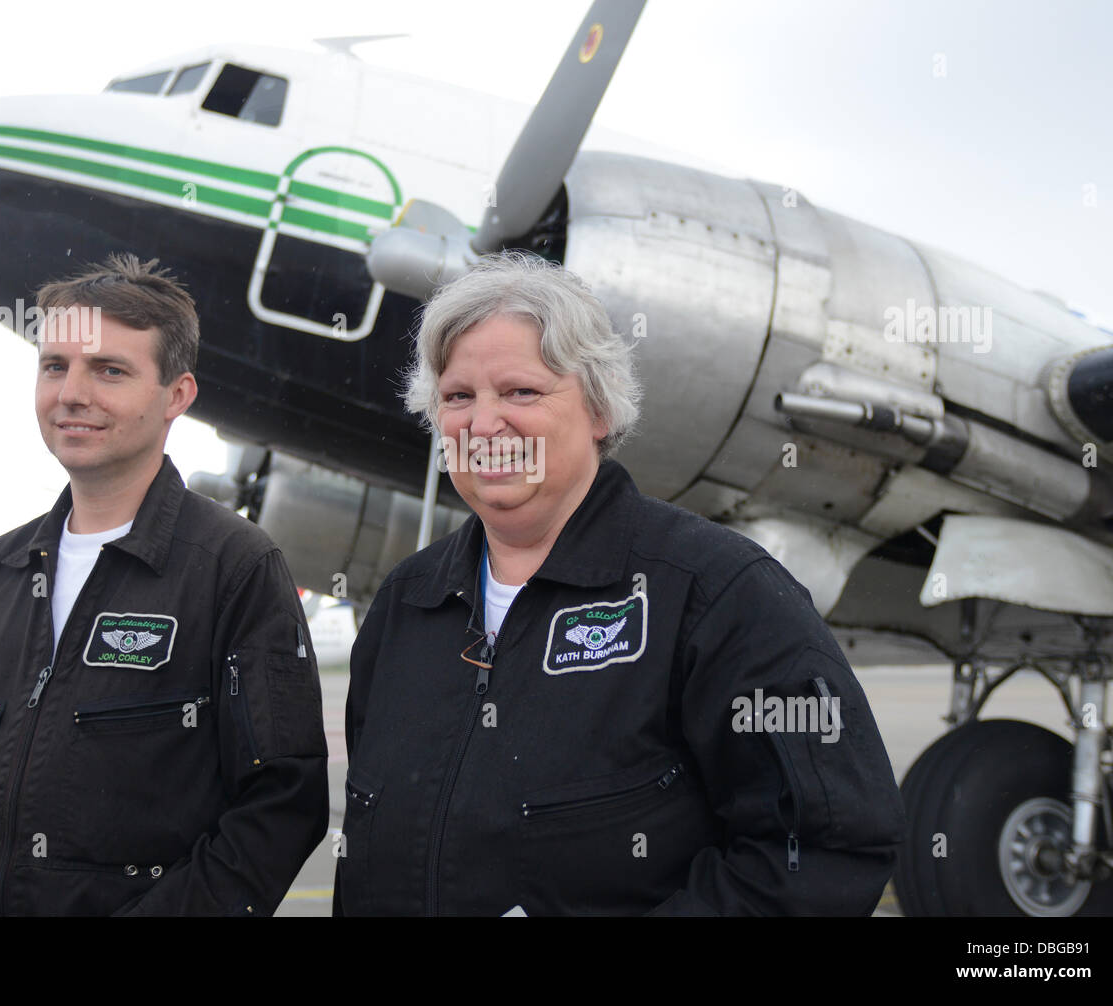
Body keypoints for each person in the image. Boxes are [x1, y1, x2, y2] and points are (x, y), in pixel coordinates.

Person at [334, 252, 904, 916]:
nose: (483, 425)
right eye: (458, 396)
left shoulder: (719, 593)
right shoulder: (406, 604)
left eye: (521, 391)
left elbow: (825, 849)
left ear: (599, 410)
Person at [0, 254, 328, 915]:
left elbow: (280, 806)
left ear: (177, 396)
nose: (71, 392)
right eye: (55, 366)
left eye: (109, 370)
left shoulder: (237, 571)